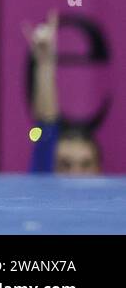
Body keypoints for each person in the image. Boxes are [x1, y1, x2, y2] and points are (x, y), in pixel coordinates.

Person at [23, 10, 103, 176]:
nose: (76, 174)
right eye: (65, 165)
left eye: (86, 165)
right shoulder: (42, 180)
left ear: (98, 169)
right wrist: (45, 63)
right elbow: (47, 121)